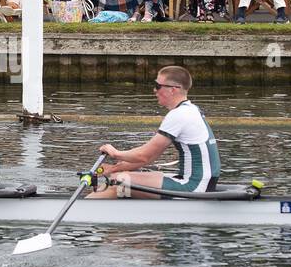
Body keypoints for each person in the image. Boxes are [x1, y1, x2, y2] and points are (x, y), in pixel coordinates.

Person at [89, 66, 221, 198]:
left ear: (173, 89)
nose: (154, 90)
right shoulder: (190, 109)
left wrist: (115, 153)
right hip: (200, 182)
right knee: (119, 175)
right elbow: (151, 157)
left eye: (158, 86)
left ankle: (82, 214)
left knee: (118, 181)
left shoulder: (179, 115)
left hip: (193, 187)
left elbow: (143, 156)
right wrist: (114, 168)